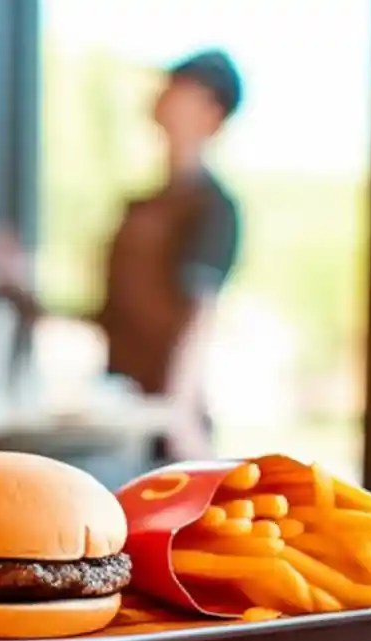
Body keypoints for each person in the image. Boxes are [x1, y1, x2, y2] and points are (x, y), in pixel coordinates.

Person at [96, 50, 244, 461]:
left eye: (184, 90)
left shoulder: (213, 207)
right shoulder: (139, 205)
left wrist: (177, 410)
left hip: (167, 418)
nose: (167, 96)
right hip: (121, 404)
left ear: (213, 114)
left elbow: (201, 311)